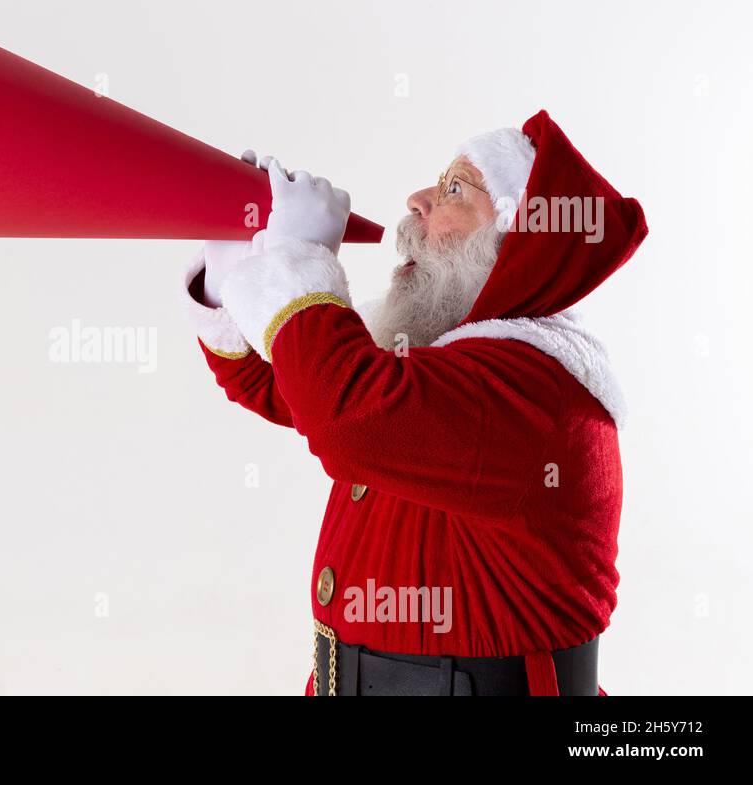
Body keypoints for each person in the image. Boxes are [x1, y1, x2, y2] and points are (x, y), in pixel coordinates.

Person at [179, 110, 647, 695]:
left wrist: (296, 261)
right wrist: (233, 276)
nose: (418, 200)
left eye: (456, 188)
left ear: (518, 240)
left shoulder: (532, 382)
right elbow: (290, 389)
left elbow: (344, 413)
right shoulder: (447, 367)